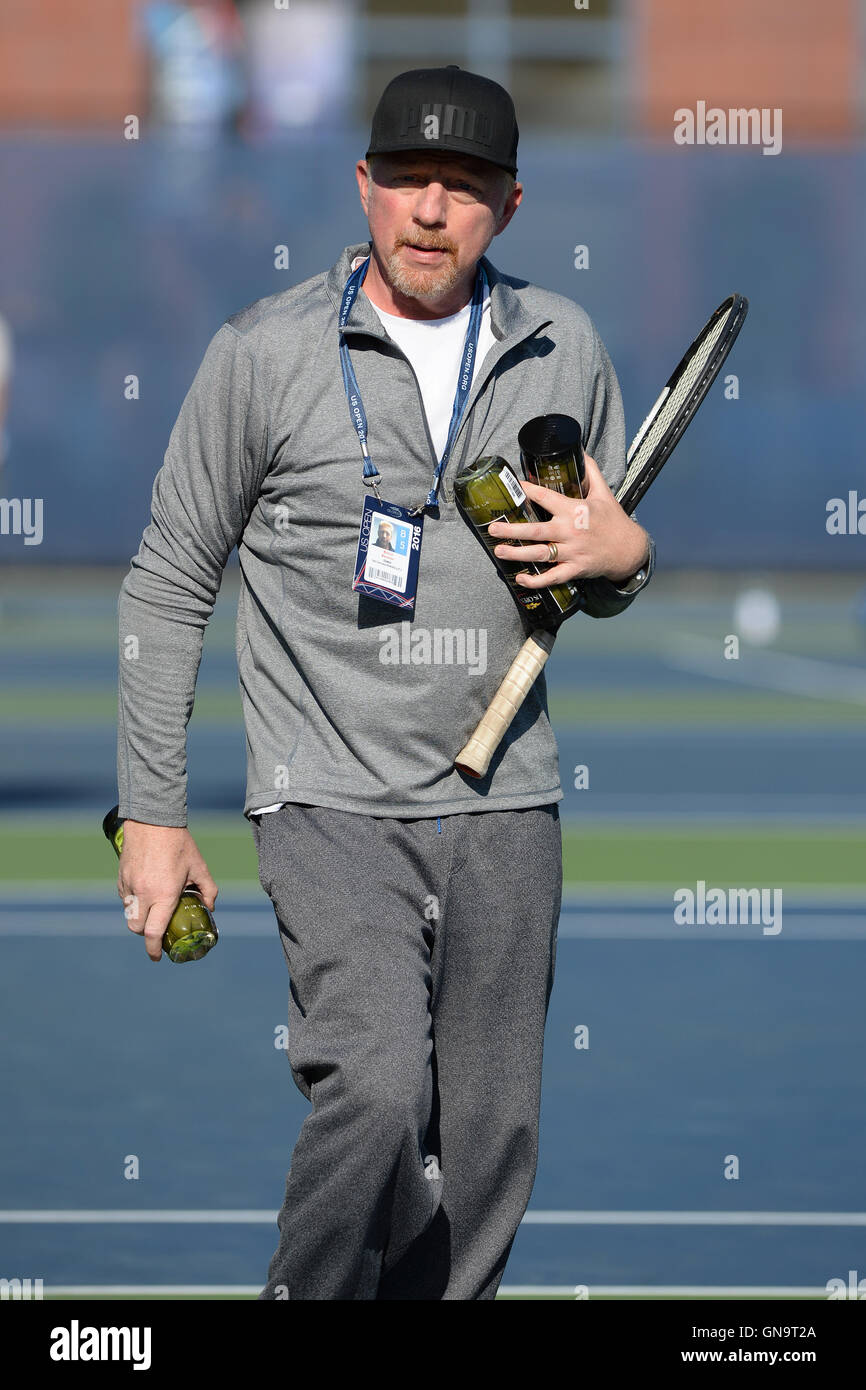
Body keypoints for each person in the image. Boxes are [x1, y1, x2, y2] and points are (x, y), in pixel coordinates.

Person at [114, 65, 655, 1300]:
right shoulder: (259, 354)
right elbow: (166, 579)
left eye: (461, 187)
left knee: (489, 1138)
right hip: (329, 795)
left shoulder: (561, 345)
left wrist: (624, 558)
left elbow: (598, 555)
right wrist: (151, 816)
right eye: (406, 177)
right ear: (360, 186)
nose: (428, 208)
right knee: (371, 1086)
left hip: (504, 795)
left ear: (508, 208)